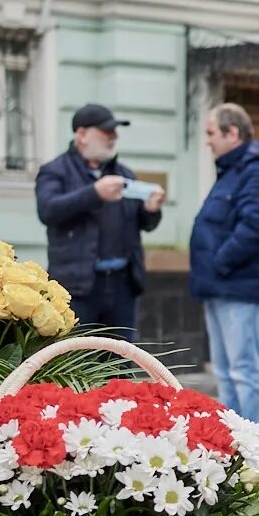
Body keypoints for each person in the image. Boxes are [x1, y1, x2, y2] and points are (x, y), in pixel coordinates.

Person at [189, 102, 259, 427]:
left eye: (211, 133)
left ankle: (254, 444)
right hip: (219, 285)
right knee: (225, 370)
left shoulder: (258, 170)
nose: (207, 141)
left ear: (233, 133)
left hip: (237, 285)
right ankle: (231, 442)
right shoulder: (233, 171)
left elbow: (256, 227)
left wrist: (220, 261)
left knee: (244, 368)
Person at [35, 104, 164, 341]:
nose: (114, 137)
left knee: (121, 364)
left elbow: (144, 224)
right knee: (79, 362)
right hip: (77, 288)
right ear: (82, 134)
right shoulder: (55, 171)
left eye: (114, 132)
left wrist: (151, 210)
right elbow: (48, 210)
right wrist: (94, 193)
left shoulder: (124, 174)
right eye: (106, 132)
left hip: (122, 285)